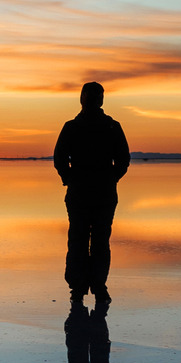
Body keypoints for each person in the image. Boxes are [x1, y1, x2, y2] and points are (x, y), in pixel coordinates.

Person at [53, 82, 131, 305]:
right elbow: (60, 158)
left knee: (97, 241)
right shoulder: (72, 127)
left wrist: (110, 179)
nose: (91, 100)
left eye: (94, 96)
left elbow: (123, 160)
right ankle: (79, 288)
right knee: (80, 240)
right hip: (81, 192)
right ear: (82, 98)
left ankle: (96, 286)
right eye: (88, 96)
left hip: (101, 193)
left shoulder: (111, 127)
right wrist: (69, 178)